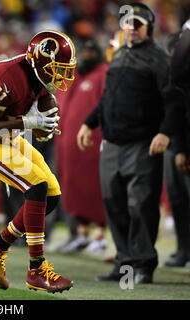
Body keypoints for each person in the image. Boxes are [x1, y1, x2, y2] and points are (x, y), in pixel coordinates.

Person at [0, 30, 76, 293]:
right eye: (57, 68)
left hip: (8, 136)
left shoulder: (35, 74)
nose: (62, 76)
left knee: (52, 196)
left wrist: (44, 121)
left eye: (65, 70)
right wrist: (30, 122)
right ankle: (36, 269)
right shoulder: (8, 77)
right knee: (37, 187)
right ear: (40, 63)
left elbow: (42, 101)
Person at [77, 3, 180, 284]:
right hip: (112, 142)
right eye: (127, 23)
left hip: (142, 143)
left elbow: (174, 99)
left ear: (149, 27)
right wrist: (89, 122)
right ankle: (124, 262)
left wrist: (165, 132)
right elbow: (109, 96)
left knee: (141, 205)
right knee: (114, 203)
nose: (131, 28)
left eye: (137, 24)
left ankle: (144, 264)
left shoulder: (159, 58)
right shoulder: (120, 54)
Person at [55, 38, 108, 254]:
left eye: (90, 52)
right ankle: (81, 234)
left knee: (96, 188)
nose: (86, 56)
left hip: (92, 144)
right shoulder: (71, 76)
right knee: (73, 188)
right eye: (82, 53)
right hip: (68, 145)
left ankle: (101, 236)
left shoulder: (104, 73)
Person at [163, 18, 190, 267]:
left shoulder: (181, 83)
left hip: (181, 143)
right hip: (174, 144)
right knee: (178, 200)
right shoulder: (174, 81)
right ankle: (184, 249)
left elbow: (180, 112)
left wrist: (181, 147)